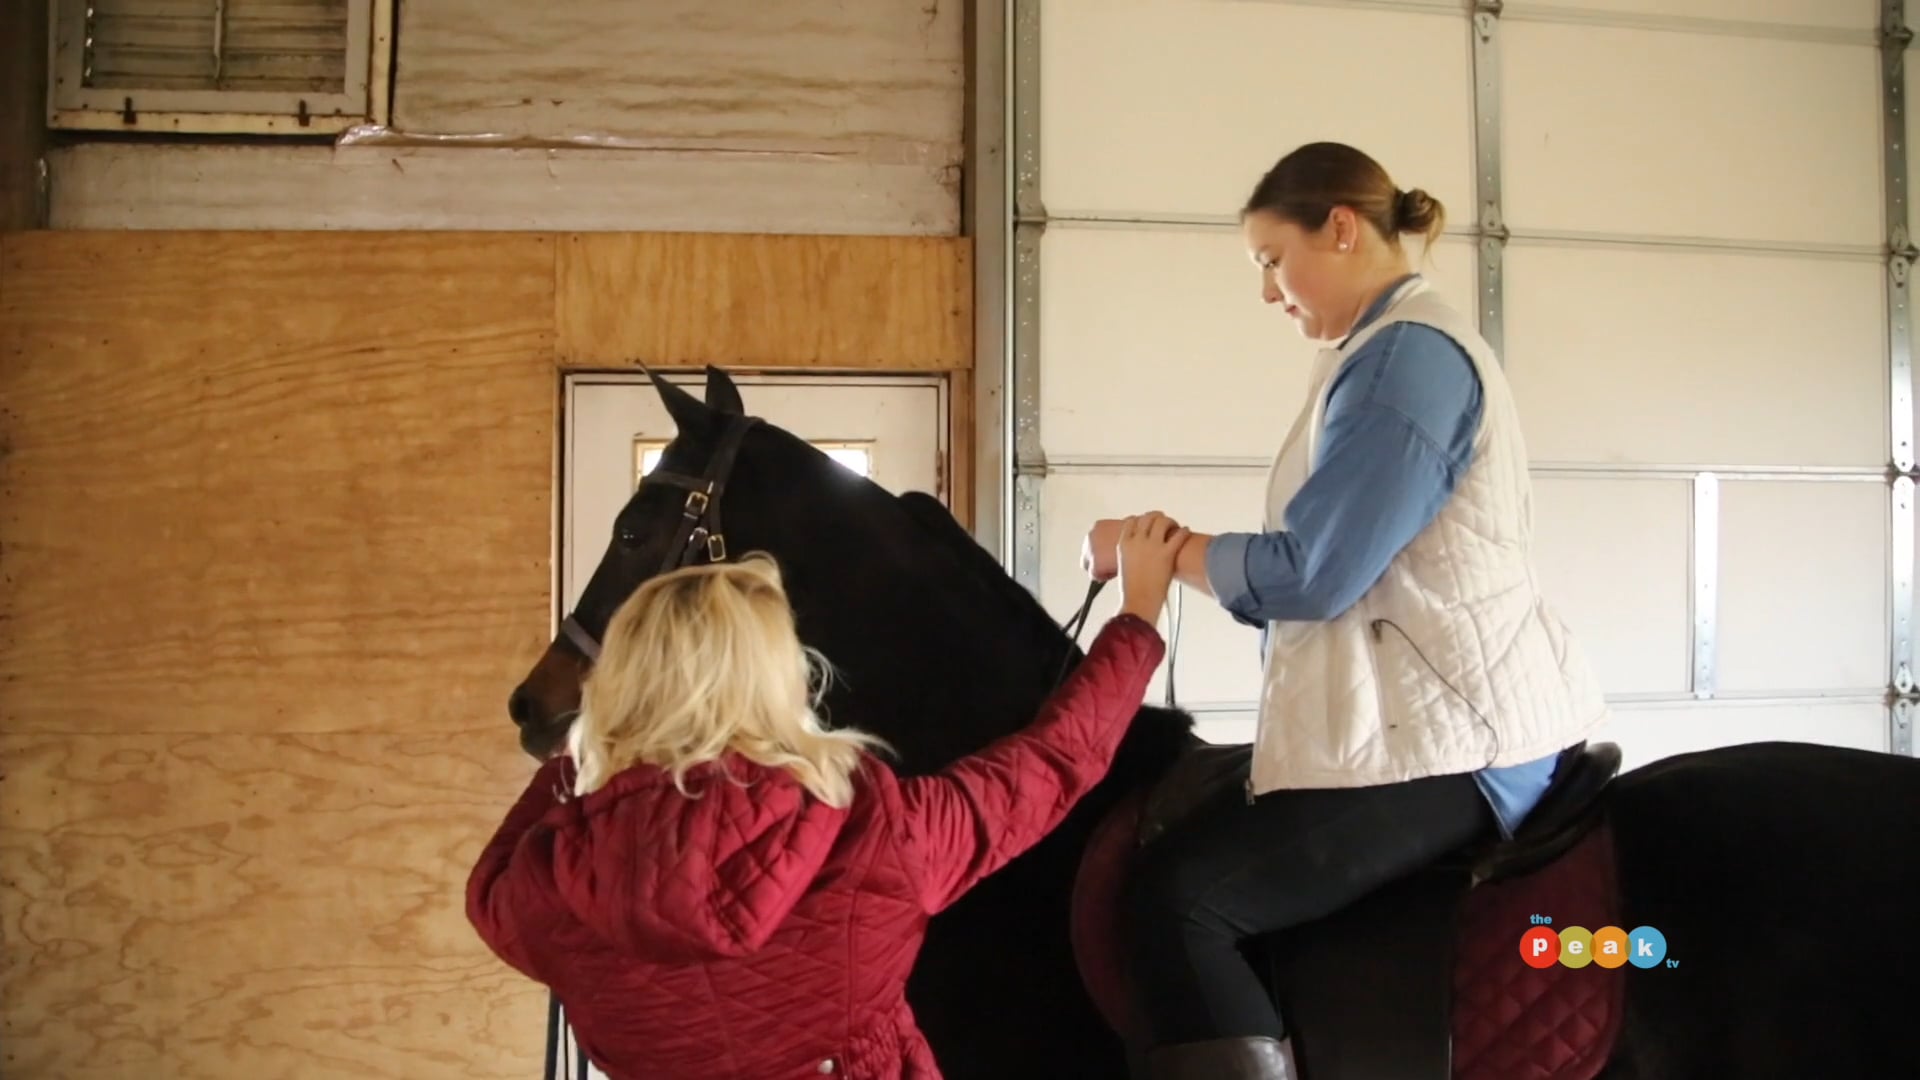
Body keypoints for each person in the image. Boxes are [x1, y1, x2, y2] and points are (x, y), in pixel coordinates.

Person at [1080, 141, 1610, 1078]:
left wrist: (1156, 553)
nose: (1268, 292)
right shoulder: (1379, 350)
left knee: (1184, 901)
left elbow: (1317, 573)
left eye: (1272, 261)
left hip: (1458, 743)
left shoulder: (1407, 359)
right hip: (1434, 720)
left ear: (1341, 227)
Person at [465, 514, 1188, 1079]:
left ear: (617, 681)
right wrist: (1138, 612)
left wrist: (601, 736)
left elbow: (488, 888)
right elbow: (1055, 761)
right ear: (784, 676)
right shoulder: (875, 829)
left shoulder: (544, 885)